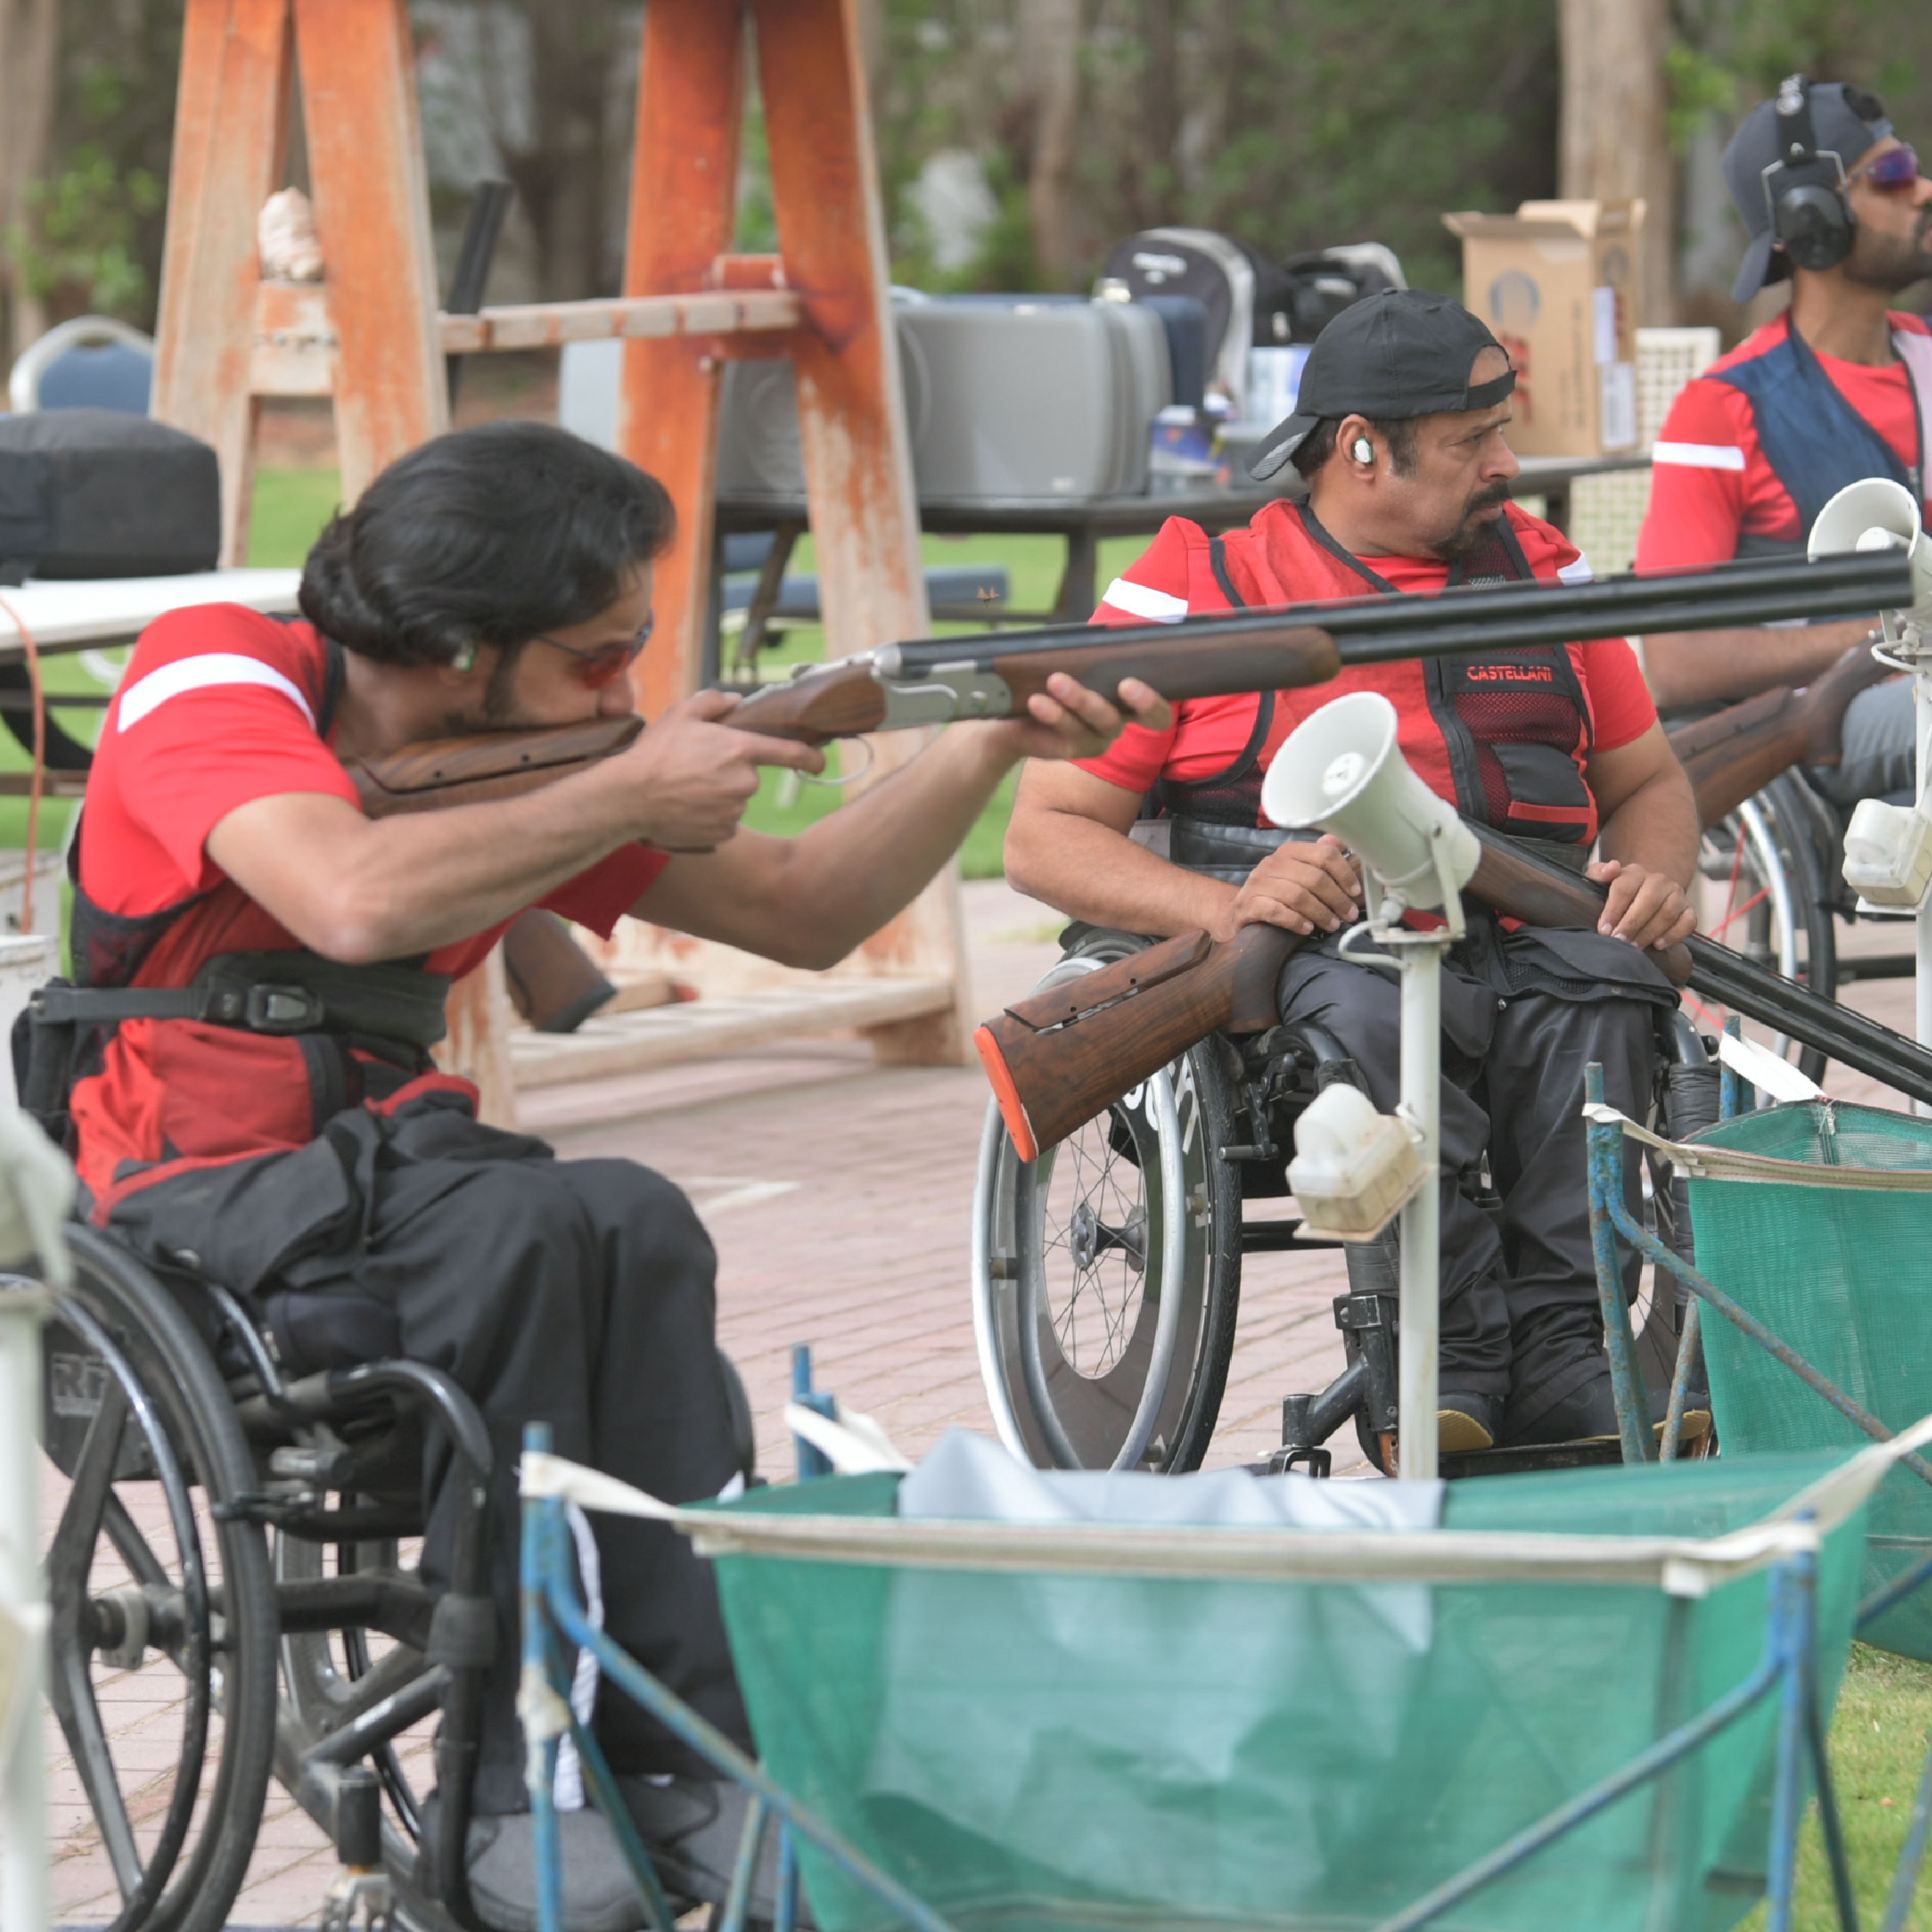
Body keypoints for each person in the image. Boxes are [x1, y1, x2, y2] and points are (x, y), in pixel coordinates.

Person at [52, 421, 1166, 1931]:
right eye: (596, 661)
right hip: (190, 1179)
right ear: (458, 651)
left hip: (392, 1168)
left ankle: (682, 1753)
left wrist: (980, 738)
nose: (625, 695)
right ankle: (516, 1775)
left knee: (631, 1216)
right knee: (517, 1222)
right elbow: (348, 892)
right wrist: (629, 786)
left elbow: (802, 907)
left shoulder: (517, 759)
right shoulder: (216, 668)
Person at [1005, 289, 1699, 1457]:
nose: (1506, 463)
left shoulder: (1549, 574)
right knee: (1382, 1013)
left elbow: (1650, 781)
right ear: (1360, 447)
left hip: (1532, 933)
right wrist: (1225, 907)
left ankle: (1574, 1356)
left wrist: (1652, 877)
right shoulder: (1187, 584)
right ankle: (1438, 1362)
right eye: (1472, 440)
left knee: (1600, 993)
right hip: (1314, 968)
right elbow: (1045, 834)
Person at [1638, 76, 1932, 807]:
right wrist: (1889, 634)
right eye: (1890, 175)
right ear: (1811, 217)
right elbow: (1673, 663)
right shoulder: (1719, 411)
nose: (1922, 188)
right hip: (1823, 724)